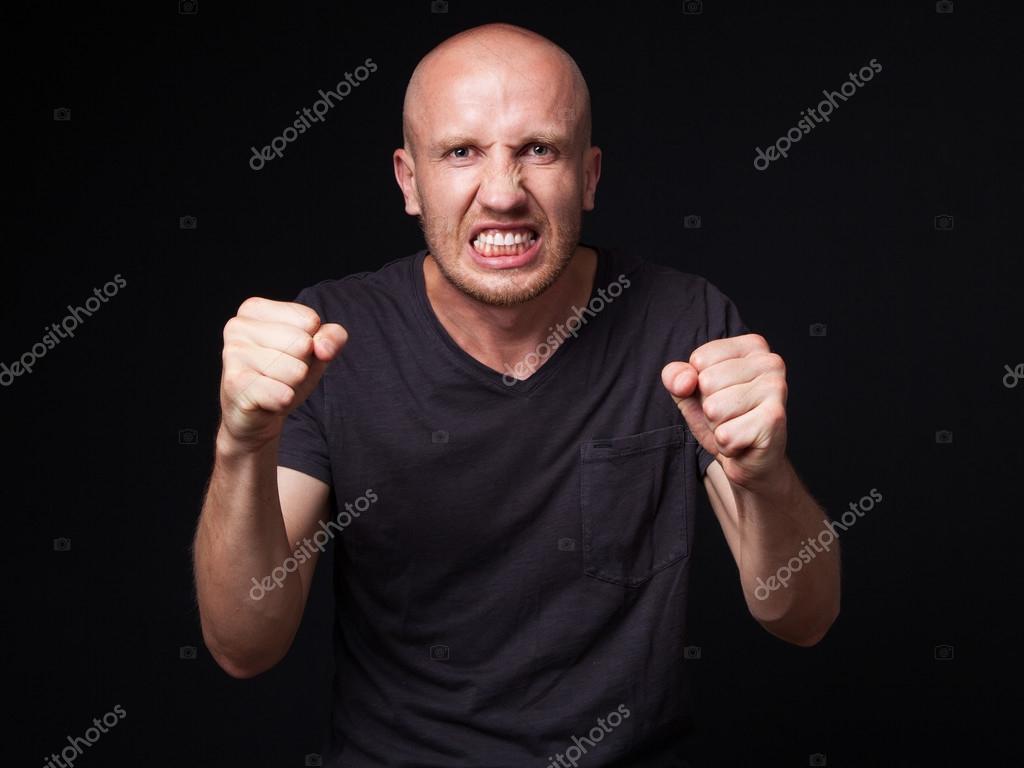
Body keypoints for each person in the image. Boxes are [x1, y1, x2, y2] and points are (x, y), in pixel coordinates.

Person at [192, 22, 840, 767]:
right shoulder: (331, 339)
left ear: (589, 176)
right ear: (409, 180)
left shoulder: (682, 322)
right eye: (460, 152)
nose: (502, 193)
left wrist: (765, 477)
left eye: (538, 149)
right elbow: (245, 645)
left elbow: (805, 619)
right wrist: (241, 446)